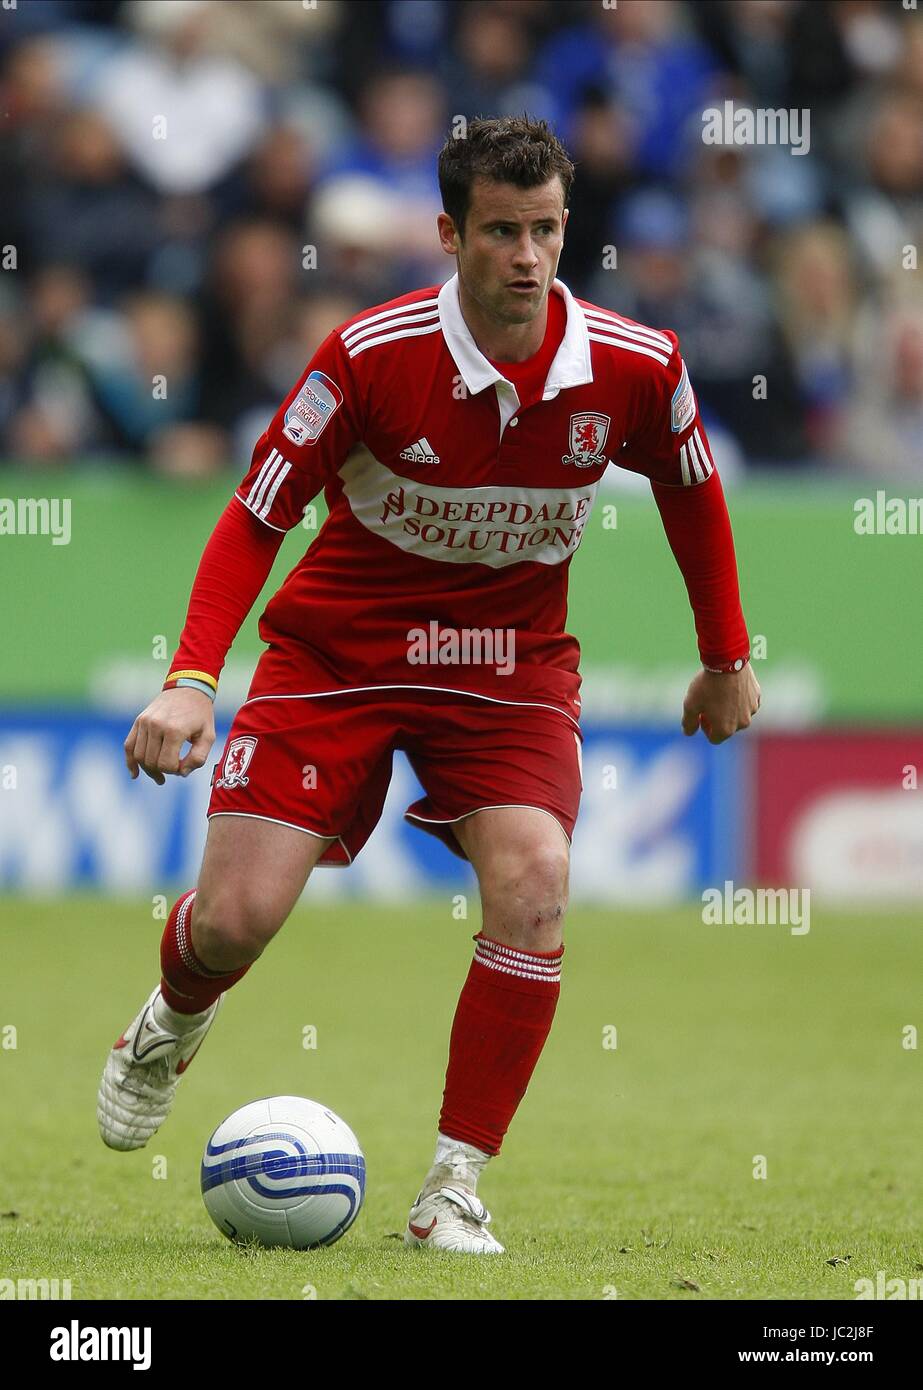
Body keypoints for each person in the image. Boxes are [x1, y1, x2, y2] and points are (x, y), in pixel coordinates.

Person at [97, 115, 760, 1255]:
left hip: (505, 671)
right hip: (336, 659)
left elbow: (692, 493)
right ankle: (171, 1019)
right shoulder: (366, 355)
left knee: (538, 881)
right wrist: (194, 676)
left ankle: (452, 1186)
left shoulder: (636, 368)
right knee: (237, 921)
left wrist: (723, 655)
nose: (526, 256)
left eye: (546, 229)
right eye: (500, 231)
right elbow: (257, 514)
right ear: (449, 233)